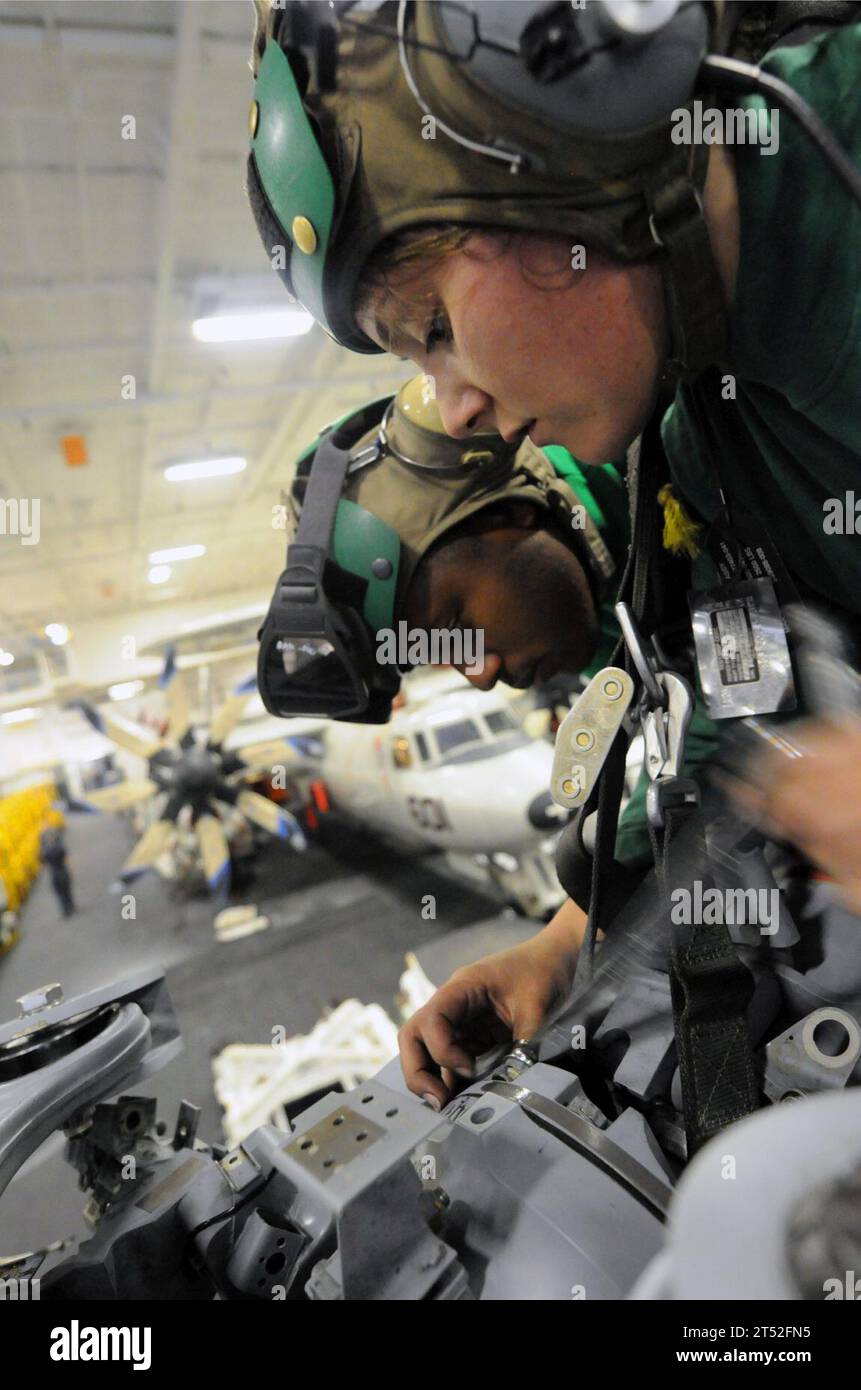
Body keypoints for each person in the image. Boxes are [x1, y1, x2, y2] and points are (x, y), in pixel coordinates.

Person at [246, 1, 861, 1103]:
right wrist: (566, 941)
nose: (459, 407)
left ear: (554, 158)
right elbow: (733, 714)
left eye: (430, 324)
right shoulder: (709, 447)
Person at [40, 821, 76, 919]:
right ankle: (71, 905)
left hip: (54, 873)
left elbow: (42, 860)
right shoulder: (60, 847)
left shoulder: (46, 851)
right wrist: (71, 869)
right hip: (63, 871)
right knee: (66, 889)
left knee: (59, 892)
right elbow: (66, 859)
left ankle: (65, 909)